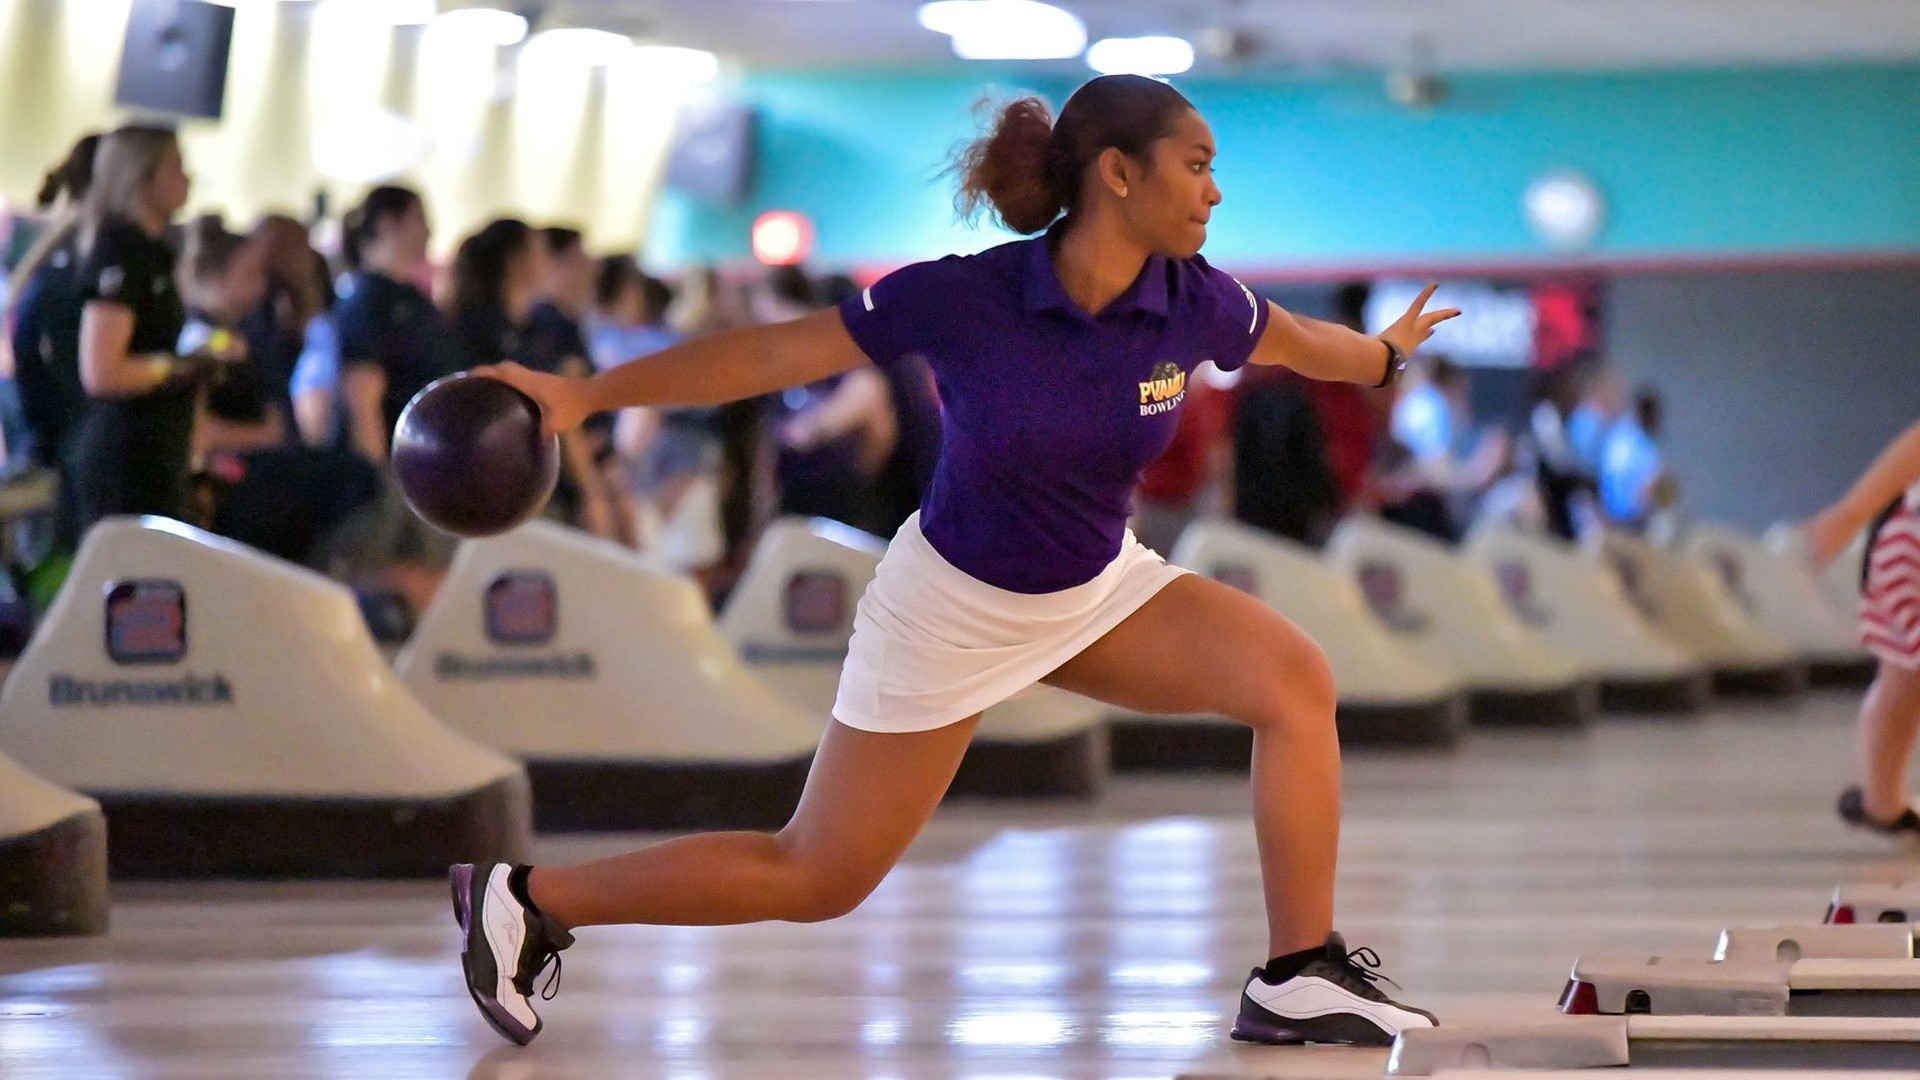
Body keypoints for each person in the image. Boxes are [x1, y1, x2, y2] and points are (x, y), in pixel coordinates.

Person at [457, 75, 1455, 1049]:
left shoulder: (1192, 300)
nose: (1214, 191)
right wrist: (587, 399)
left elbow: (1296, 342)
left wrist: (1385, 356)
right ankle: (530, 901)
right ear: (1116, 173)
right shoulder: (968, 298)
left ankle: (1296, 974)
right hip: (952, 609)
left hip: (1097, 588)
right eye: (1196, 166)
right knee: (817, 877)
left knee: (1293, 682)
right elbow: (766, 357)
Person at [65, 125, 227, 535]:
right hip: (125, 458)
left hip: (155, 452)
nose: (187, 178)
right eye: (176, 167)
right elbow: (101, 371)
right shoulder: (120, 249)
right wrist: (178, 367)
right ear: (143, 176)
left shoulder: (153, 252)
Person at [445, 219, 624, 542]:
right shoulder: (481, 332)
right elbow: (555, 418)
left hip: (538, 483)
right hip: (505, 490)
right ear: (517, 262)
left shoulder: (534, 330)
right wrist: (591, 492)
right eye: (542, 252)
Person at [1803, 417, 1920, 835]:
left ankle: (1883, 803)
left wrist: (1851, 515)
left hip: (1904, 542)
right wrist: (1850, 513)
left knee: (1902, 683)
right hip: (1911, 548)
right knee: (1902, 685)